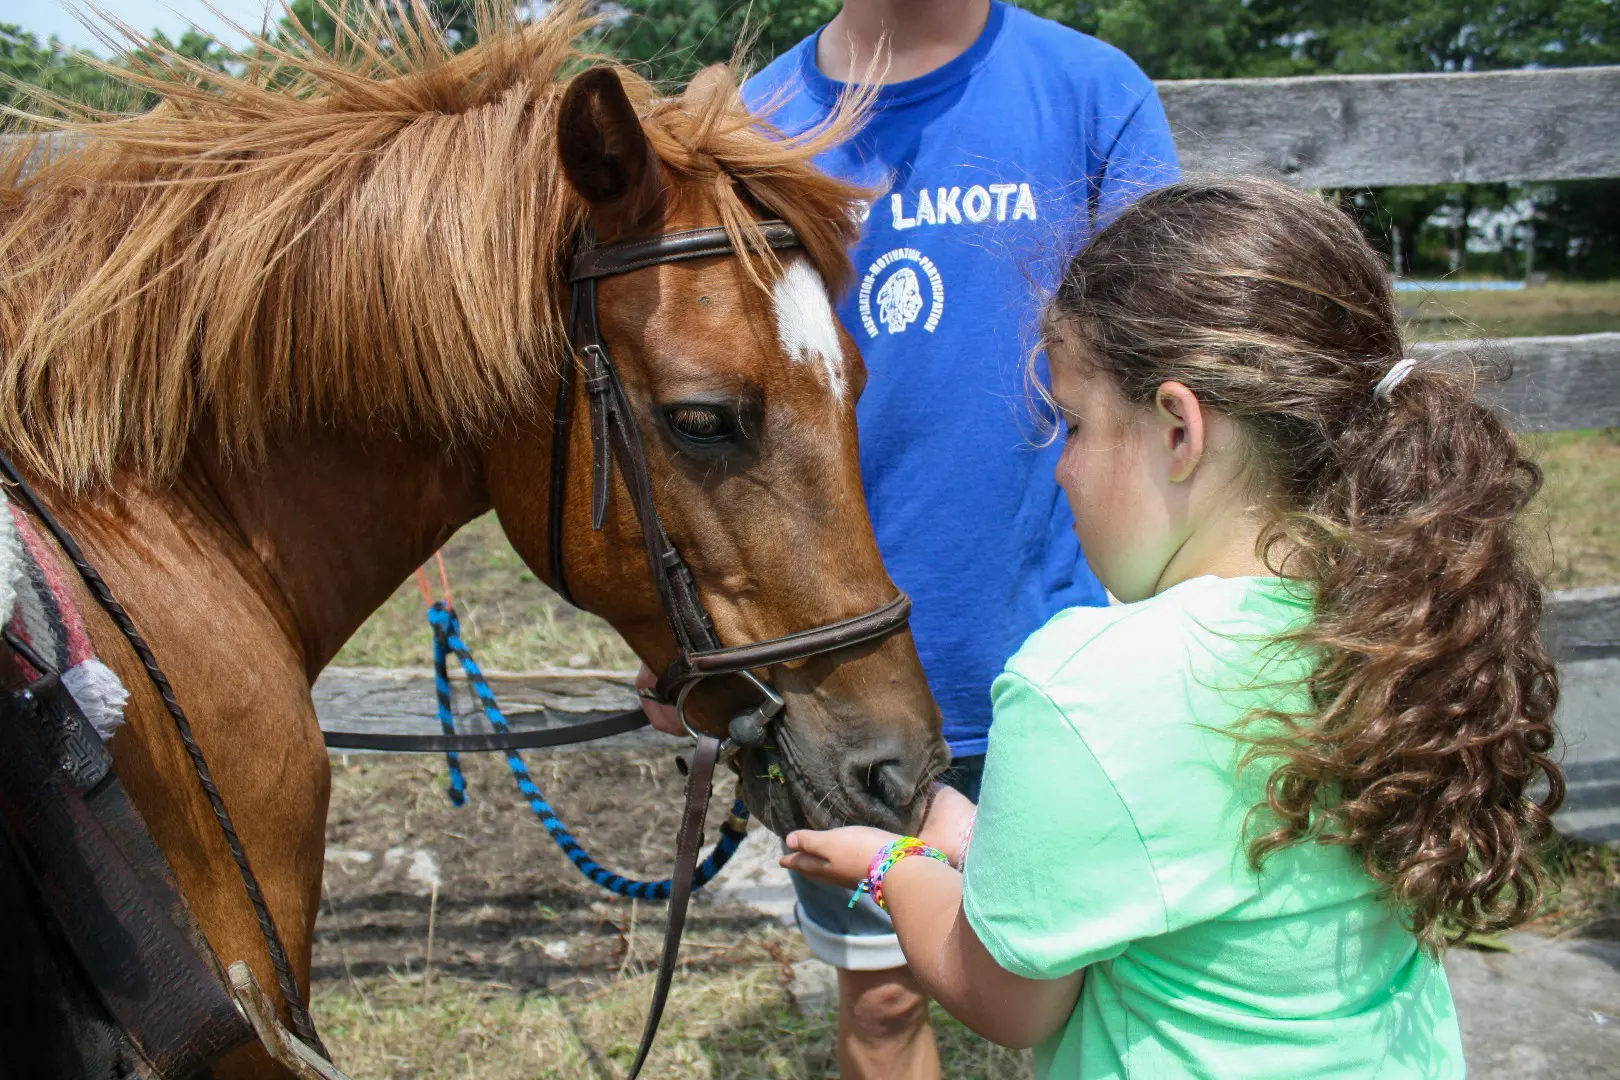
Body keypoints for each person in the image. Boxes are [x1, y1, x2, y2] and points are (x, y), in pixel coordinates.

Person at [779, 177, 1564, 1078]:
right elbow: (1174, 848)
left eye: (1072, 425)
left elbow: (1008, 998)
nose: (1062, 471)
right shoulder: (1398, 624)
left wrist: (890, 866)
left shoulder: (1089, 686)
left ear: (1179, 429)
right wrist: (968, 836)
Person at [647, 4, 1177, 1074]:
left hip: (1064, 658)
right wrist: (677, 641)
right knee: (884, 999)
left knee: (1111, 997)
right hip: (834, 685)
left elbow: (1176, 375)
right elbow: (679, 405)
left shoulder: (1089, 95)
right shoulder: (754, 124)